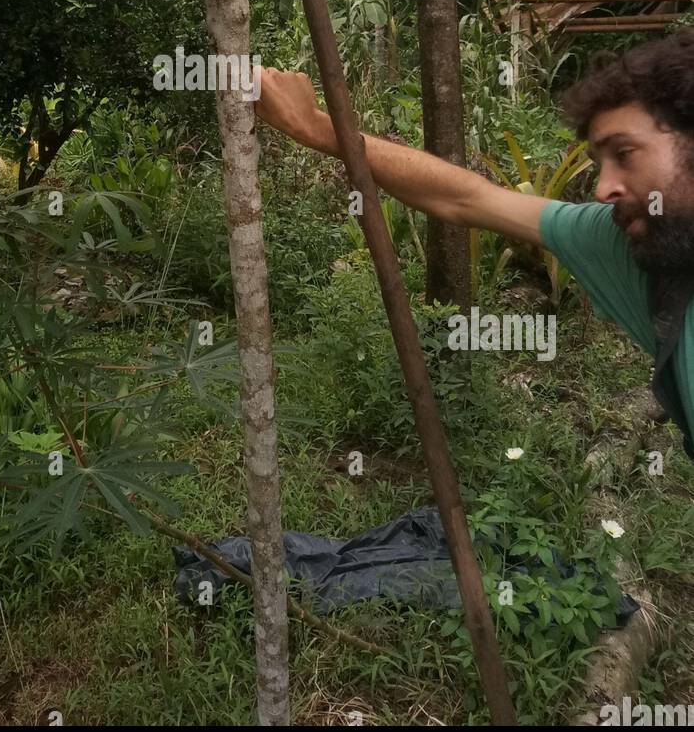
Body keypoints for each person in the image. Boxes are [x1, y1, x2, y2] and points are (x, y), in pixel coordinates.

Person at [254, 31, 694, 456]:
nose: (604, 188)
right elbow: (468, 198)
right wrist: (315, 128)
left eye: (625, 154)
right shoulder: (637, 243)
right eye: (600, 163)